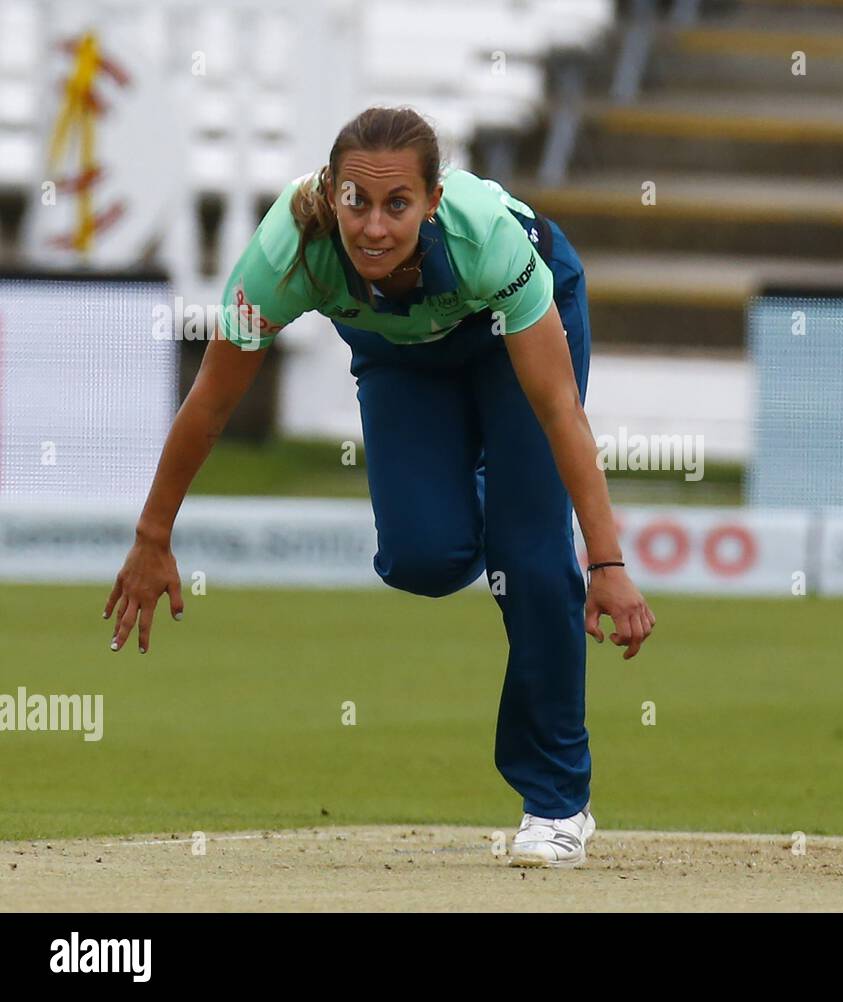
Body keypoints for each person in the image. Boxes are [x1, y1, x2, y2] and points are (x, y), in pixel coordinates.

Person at [103, 106, 655, 868]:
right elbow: (212, 401)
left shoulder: (487, 239)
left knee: (530, 556)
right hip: (398, 356)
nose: (372, 227)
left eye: (398, 205)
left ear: (434, 199)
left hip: (514, 333)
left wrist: (607, 563)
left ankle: (558, 806)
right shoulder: (285, 251)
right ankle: (502, 501)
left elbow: (559, 410)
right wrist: (152, 536)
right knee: (423, 560)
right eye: (357, 202)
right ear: (331, 194)